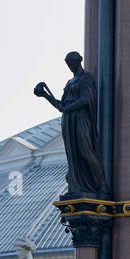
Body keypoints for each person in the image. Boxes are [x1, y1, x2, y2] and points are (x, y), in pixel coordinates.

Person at [34, 51, 108, 197]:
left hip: (81, 119)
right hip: (68, 120)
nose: (70, 66)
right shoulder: (69, 83)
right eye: (68, 64)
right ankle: (79, 185)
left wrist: (67, 108)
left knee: (85, 150)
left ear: (79, 61)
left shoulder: (86, 78)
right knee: (73, 155)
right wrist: (45, 95)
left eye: (73, 63)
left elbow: (86, 99)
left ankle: (101, 185)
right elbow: (60, 104)